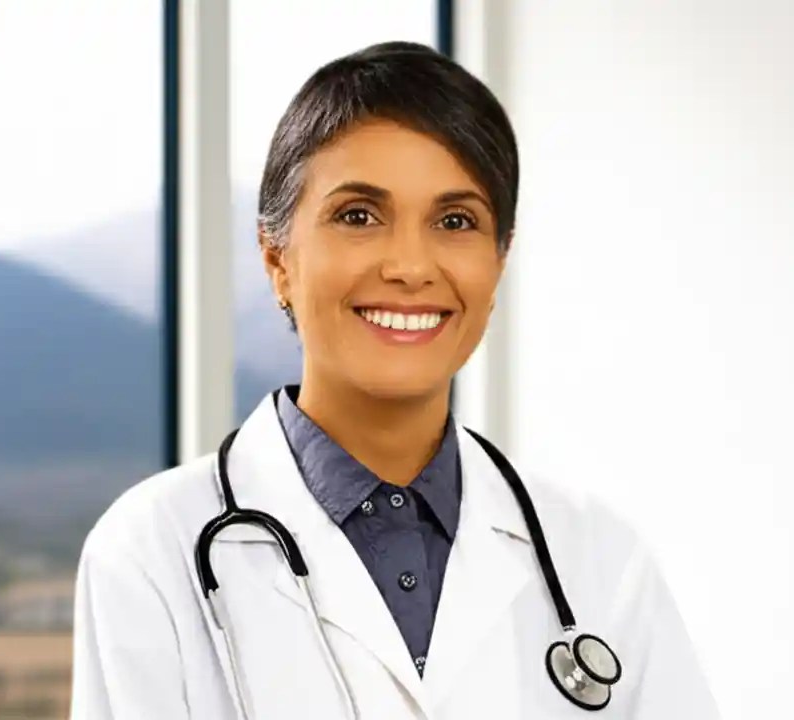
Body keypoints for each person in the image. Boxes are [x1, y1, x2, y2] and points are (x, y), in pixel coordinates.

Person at [70, 41, 718, 719]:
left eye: (455, 221)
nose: (411, 265)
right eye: (359, 216)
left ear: (498, 264)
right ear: (277, 259)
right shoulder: (151, 550)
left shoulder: (598, 558)